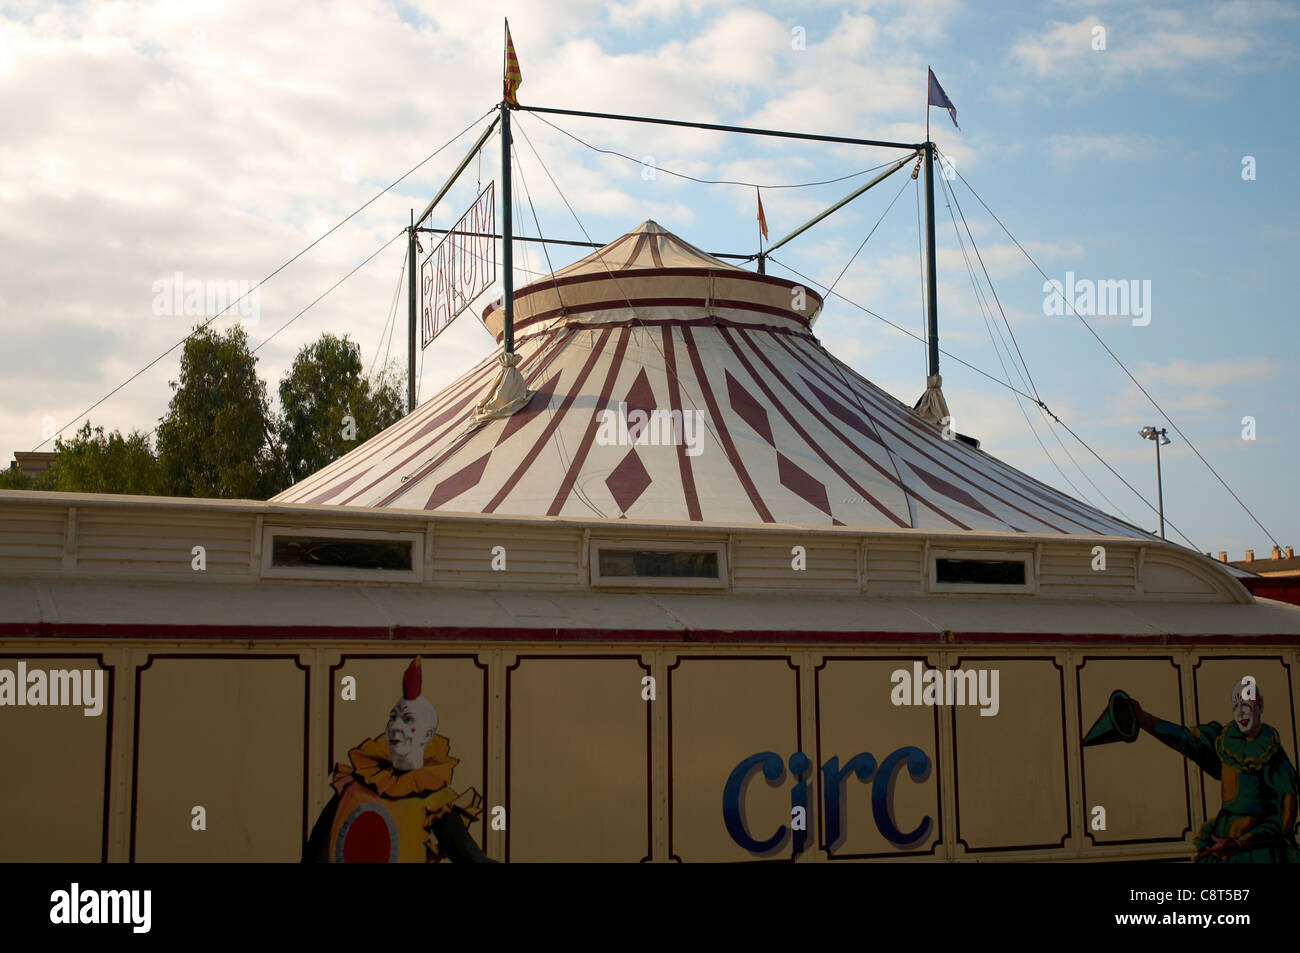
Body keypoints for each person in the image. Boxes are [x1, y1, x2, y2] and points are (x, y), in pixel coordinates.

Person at [303, 656, 493, 862]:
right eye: (393, 717)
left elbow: (471, 859)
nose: (395, 727)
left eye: (407, 719)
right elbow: (315, 855)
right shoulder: (354, 786)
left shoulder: (437, 801)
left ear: (427, 734)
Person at [1130, 677, 1297, 862]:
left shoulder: (1275, 758)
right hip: (1222, 847)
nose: (1240, 712)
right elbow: (1186, 739)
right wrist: (1145, 719)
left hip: (1257, 853)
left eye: (1246, 705)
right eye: (1235, 706)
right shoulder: (1224, 741)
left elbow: (1283, 819)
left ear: (1260, 706)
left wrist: (1240, 843)